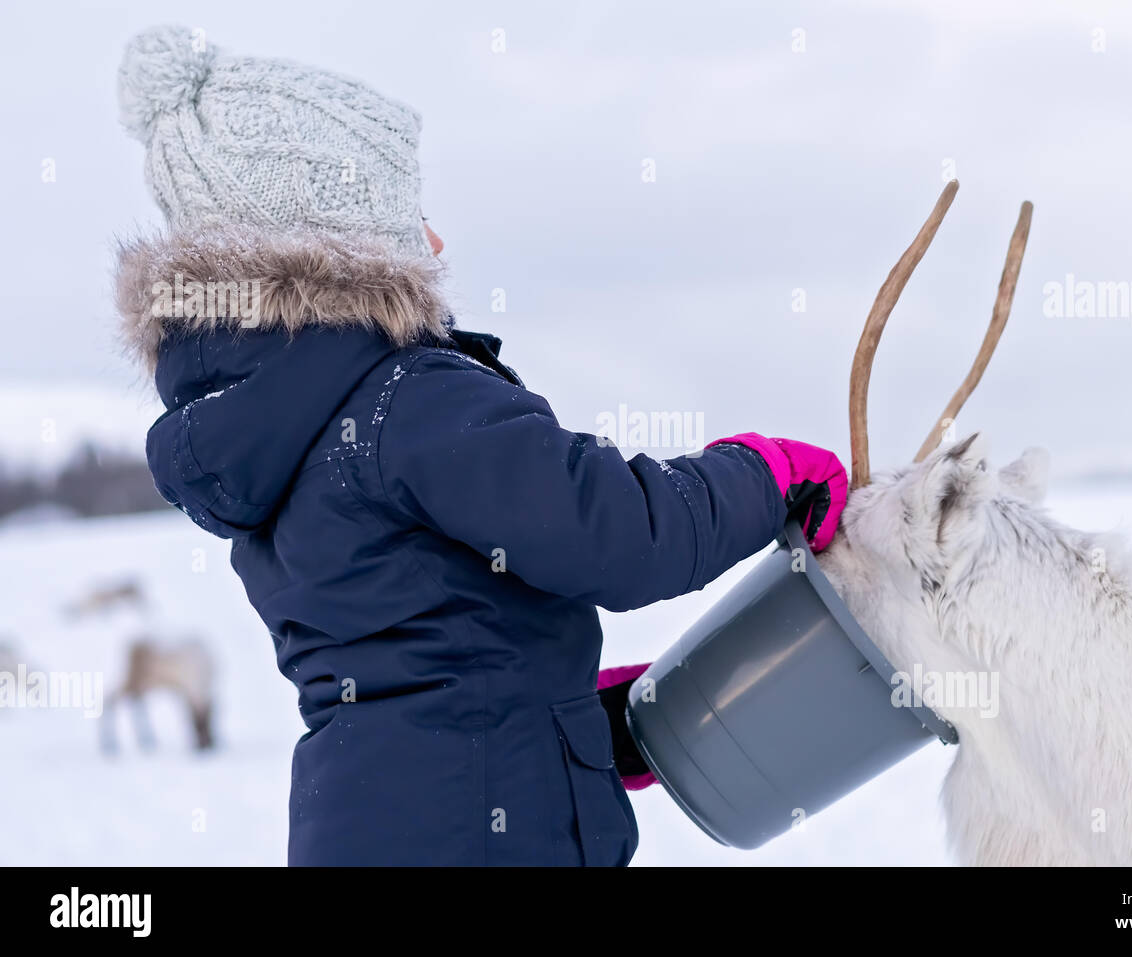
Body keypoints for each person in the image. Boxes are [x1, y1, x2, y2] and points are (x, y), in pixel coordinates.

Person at [114, 25, 847, 865]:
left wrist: (564, 717)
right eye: (405, 213)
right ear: (334, 238)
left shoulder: (270, 430)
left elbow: (406, 657)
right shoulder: (407, 399)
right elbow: (620, 533)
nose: (432, 242)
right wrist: (767, 472)